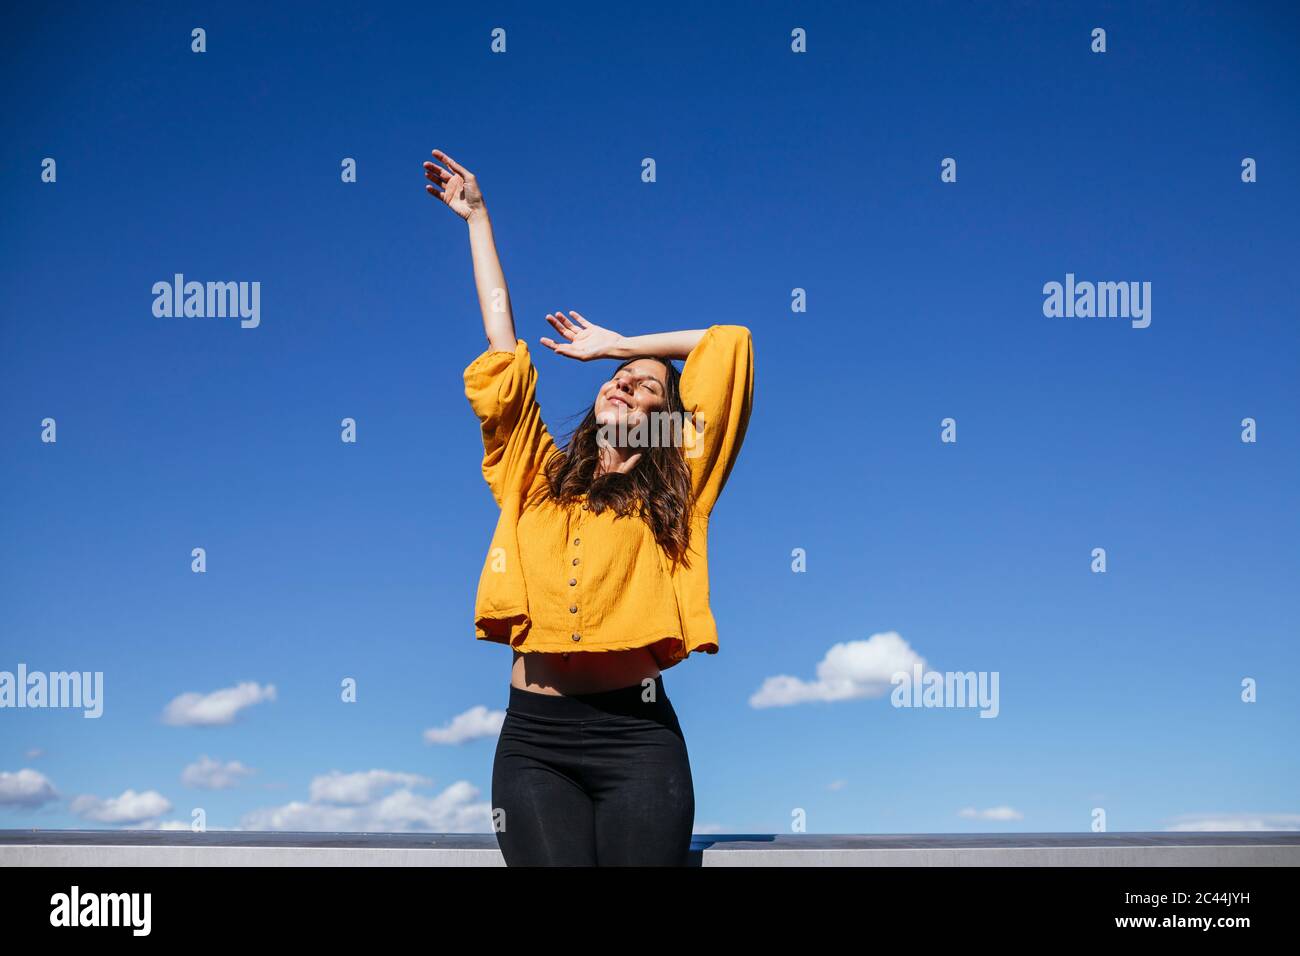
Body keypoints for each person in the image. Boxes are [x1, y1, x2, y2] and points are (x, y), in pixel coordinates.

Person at [425, 148, 754, 866]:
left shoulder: (681, 483)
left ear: (667, 421)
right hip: (533, 743)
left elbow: (728, 346)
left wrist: (623, 344)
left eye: (645, 389)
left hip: (637, 742)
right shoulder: (534, 472)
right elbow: (502, 346)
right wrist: (477, 219)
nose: (625, 386)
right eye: (618, 379)